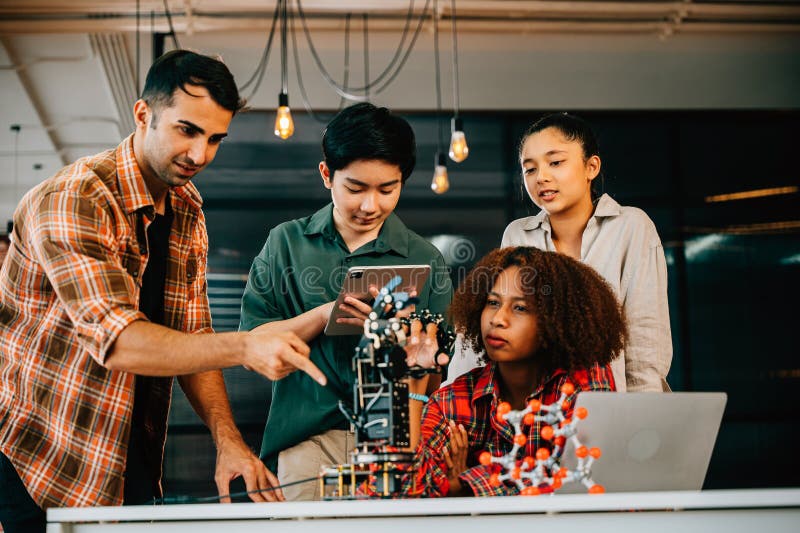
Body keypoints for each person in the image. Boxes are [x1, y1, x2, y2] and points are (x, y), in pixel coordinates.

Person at [0, 50, 324, 532]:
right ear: (143, 115)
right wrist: (247, 346)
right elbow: (119, 341)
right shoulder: (74, 199)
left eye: (215, 138)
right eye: (187, 130)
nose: (201, 155)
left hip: (125, 461)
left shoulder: (186, 207)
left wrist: (227, 439)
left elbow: (193, 333)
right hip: (41, 459)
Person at [239, 102, 453, 501]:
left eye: (387, 190)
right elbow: (250, 345)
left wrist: (411, 347)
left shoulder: (424, 259)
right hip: (307, 444)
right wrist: (323, 315)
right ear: (326, 175)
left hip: (399, 446)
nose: (370, 205)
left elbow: (441, 370)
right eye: (355, 188)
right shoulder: (285, 244)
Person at [447, 113, 671, 392]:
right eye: (530, 169)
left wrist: (640, 426)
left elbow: (646, 344)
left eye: (555, 162)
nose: (542, 177)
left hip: (607, 410)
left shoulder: (631, 227)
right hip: (533, 416)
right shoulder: (517, 235)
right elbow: (487, 332)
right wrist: (453, 402)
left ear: (591, 167)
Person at [406, 246, 626, 497]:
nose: (498, 319)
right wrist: (414, 386)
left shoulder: (583, 381)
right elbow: (408, 494)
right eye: (492, 302)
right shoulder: (453, 401)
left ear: (555, 321)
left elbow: (580, 475)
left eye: (520, 308)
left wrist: (464, 484)